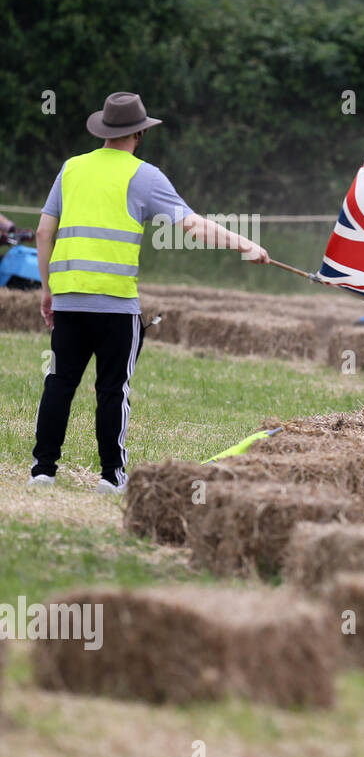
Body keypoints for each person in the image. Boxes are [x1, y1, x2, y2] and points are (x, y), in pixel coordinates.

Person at [29, 92, 271, 493]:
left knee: (58, 383)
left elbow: (42, 232)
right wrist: (247, 245)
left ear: (104, 130)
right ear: (140, 132)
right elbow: (193, 226)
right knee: (112, 391)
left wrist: (47, 289)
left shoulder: (70, 169)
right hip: (116, 305)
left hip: (69, 297)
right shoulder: (144, 176)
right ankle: (110, 477)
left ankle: (42, 470)